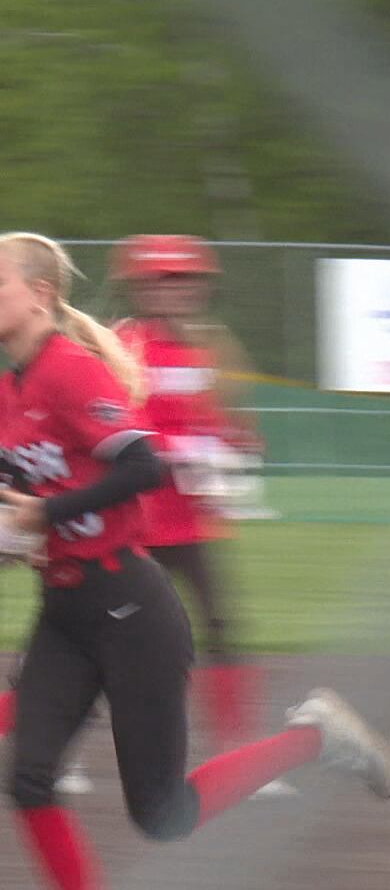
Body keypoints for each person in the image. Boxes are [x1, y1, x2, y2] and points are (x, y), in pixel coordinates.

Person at [0, 231, 390, 890]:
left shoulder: (68, 368)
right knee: (28, 777)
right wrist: (18, 532)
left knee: (164, 814)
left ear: (40, 294)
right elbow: (21, 496)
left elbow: (142, 467)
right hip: (65, 610)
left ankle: (314, 737)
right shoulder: (9, 387)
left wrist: (42, 516)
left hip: (129, 610)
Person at [47, 234, 289, 800]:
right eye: (163, 281)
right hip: (134, 524)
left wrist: (233, 447)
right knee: (106, 640)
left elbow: (220, 422)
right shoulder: (123, 345)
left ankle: (239, 758)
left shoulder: (205, 349)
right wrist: (187, 449)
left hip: (189, 524)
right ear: (140, 287)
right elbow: (118, 425)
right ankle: (56, 753)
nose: (177, 291)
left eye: (186, 280)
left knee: (222, 630)